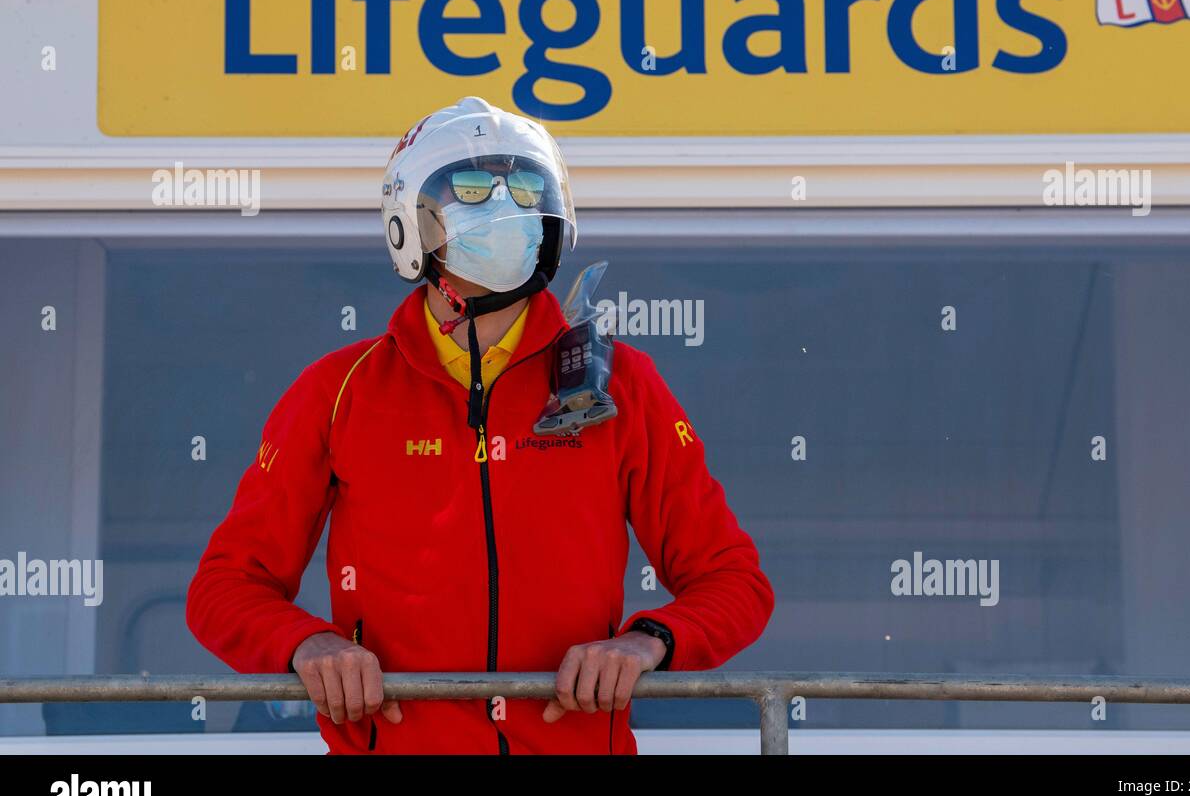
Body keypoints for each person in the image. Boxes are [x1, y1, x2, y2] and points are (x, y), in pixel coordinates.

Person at [186, 96, 774, 754]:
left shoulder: (620, 383)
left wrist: (646, 643)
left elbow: (734, 582)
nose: (505, 210)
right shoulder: (338, 390)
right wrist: (305, 643)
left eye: (527, 190)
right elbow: (225, 587)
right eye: (472, 190)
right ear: (413, 220)